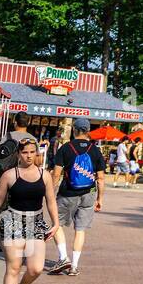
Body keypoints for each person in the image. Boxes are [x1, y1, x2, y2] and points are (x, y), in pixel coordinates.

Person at [0, 138, 58, 284]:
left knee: (36, 268)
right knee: (14, 267)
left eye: (31, 152)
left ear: (37, 154)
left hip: (36, 221)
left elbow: (50, 201)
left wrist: (56, 223)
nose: (28, 156)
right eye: (24, 152)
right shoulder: (9, 175)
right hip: (13, 221)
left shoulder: (45, 175)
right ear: (19, 154)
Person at [47, 118, 106, 276]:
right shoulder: (95, 150)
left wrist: (50, 193)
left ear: (74, 130)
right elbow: (100, 178)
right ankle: (74, 266)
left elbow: (56, 174)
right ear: (87, 131)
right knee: (80, 230)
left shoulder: (66, 148)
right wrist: (100, 199)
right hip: (89, 194)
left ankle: (63, 257)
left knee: (57, 224)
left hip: (68, 193)